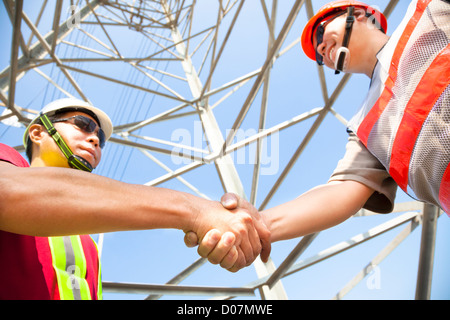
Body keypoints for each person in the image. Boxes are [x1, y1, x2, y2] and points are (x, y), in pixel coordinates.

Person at [185, 0, 450, 267]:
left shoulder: (429, 13)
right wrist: (254, 225)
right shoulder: (365, 129)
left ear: (357, 14)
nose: (322, 49)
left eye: (321, 33)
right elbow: (339, 194)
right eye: (319, 54)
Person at [0, 98, 271, 299]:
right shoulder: (8, 164)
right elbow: (9, 193)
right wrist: (194, 211)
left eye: (100, 138)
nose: (94, 139)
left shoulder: (88, 244)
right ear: (38, 132)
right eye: (83, 125)